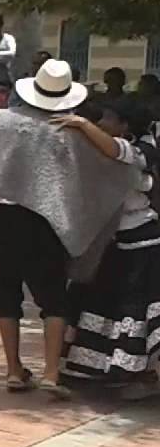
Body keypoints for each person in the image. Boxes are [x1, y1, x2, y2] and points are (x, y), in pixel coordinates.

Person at [0, 59, 138, 399]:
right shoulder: (70, 131)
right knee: (53, 298)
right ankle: (50, 373)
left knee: (4, 297)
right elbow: (102, 168)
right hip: (41, 219)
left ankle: (14, 370)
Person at [58, 100, 160, 399]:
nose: (103, 122)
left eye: (109, 118)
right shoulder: (106, 149)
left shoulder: (141, 151)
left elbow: (119, 152)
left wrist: (81, 124)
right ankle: (117, 372)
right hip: (114, 242)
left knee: (140, 309)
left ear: (125, 125)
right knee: (106, 306)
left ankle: (142, 373)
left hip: (144, 242)